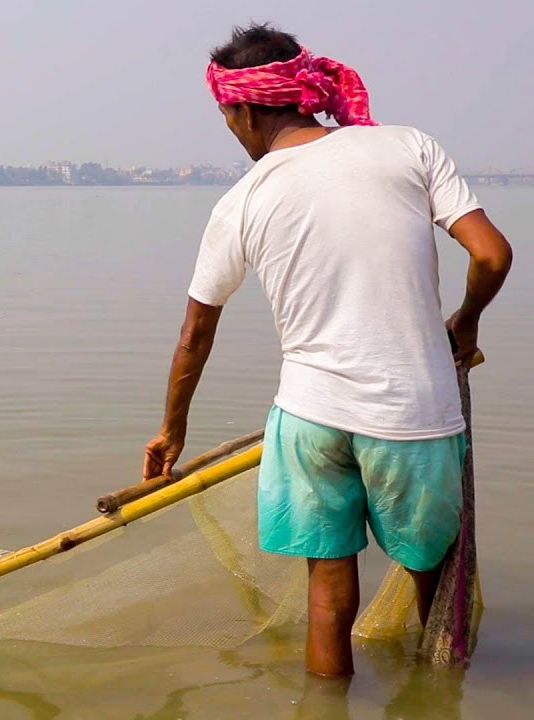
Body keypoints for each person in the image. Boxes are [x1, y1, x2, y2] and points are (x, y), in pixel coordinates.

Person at [142, 24, 512, 676]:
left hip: (311, 420)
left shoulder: (243, 200)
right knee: (433, 582)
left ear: (245, 109)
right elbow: (490, 254)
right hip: (415, 415)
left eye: (226, 117)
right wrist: (468, 321)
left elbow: (193, 334)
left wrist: (171, 432)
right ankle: (439, 700)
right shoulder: (407, 147)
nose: (230, 129)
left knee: (326, 598)